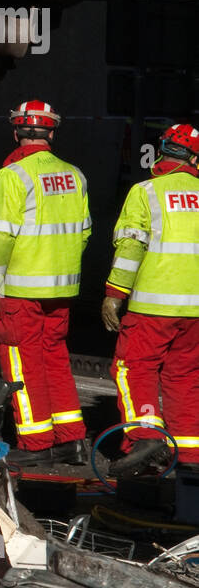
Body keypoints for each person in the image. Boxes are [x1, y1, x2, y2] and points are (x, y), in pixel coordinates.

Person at [0, 100, 92, 466]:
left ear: (16, 133)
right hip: (60, 290)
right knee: (54, 359)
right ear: (51, 133)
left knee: (21, 362)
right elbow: (84, 232)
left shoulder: (12, 176)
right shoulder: (76, 176)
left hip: (22, 290)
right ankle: (71, 440)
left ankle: (36, 444)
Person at [102, 123, 199, 476]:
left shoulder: (146, 192)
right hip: (196, 313)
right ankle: (190, 459)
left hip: (153, 307)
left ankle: (146, 436)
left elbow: (131, 248)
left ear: (162, 152)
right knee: (185, 379)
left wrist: (114, 294)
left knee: (133, 368)